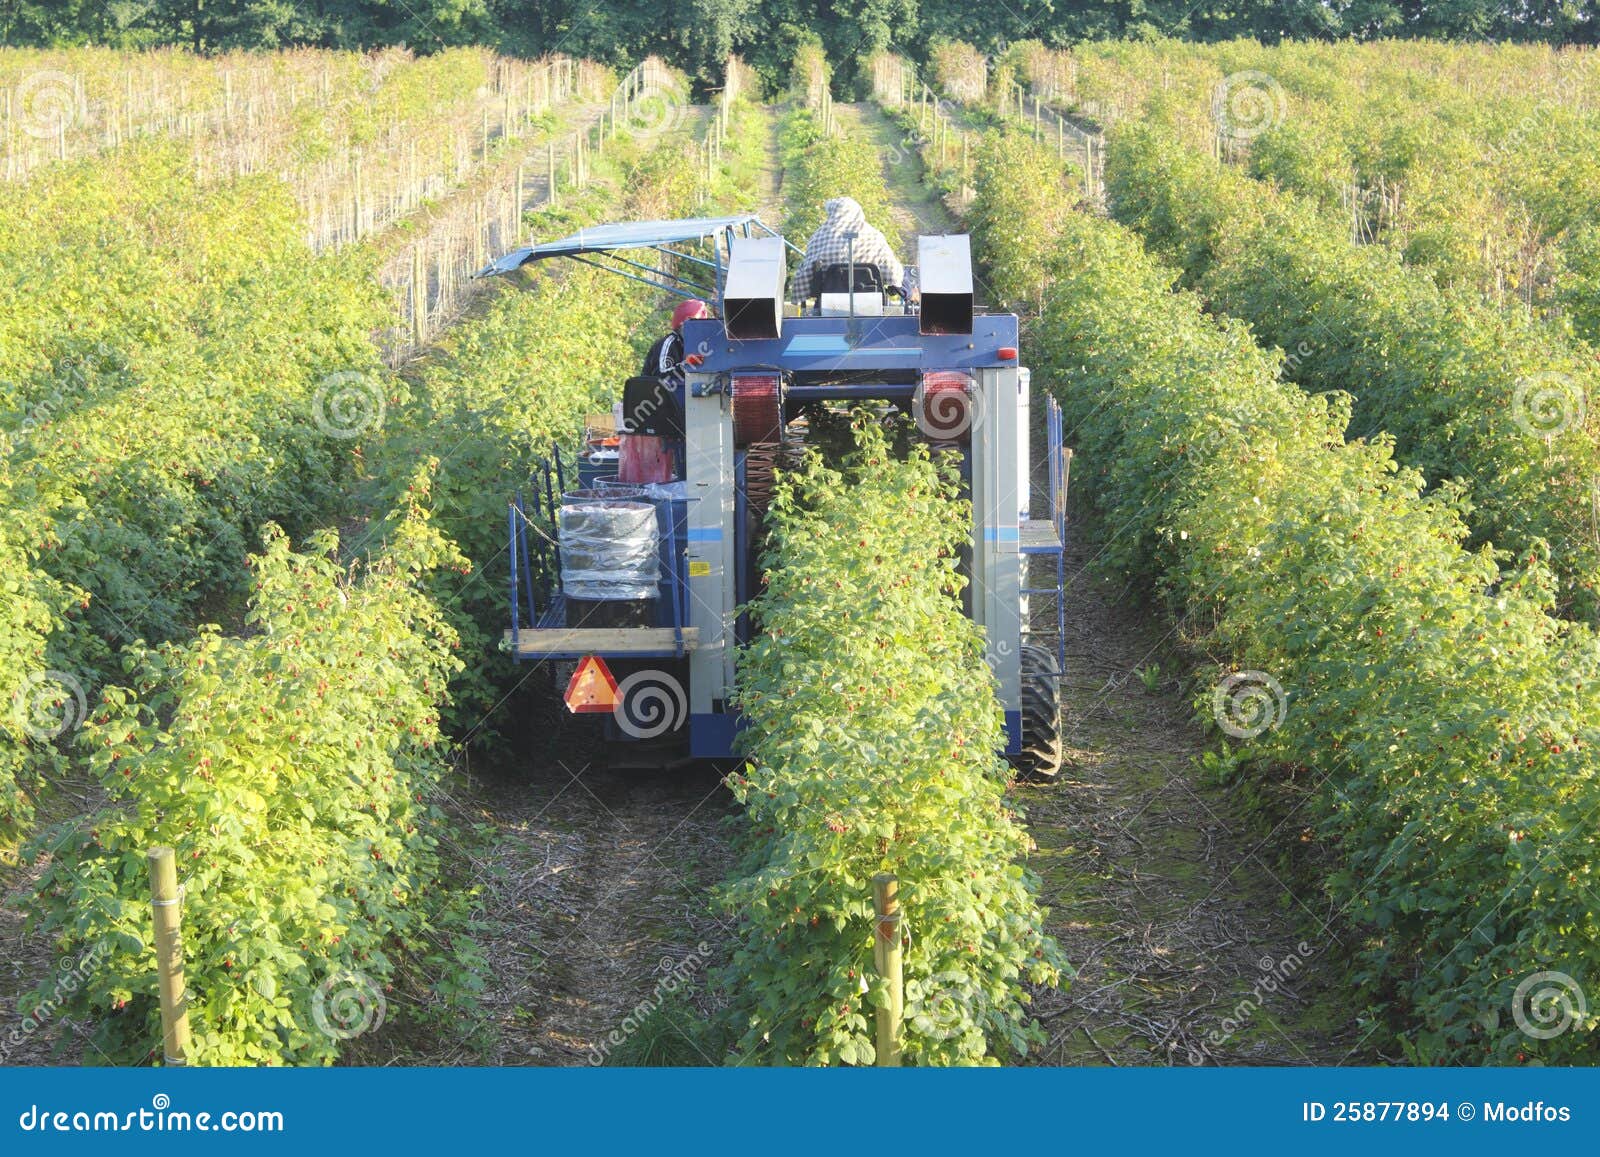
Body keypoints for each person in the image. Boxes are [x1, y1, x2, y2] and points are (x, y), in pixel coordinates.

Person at [790, 196, 912, 302]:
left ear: (832, 213)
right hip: (872, 302)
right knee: (902, 271)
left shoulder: (818, 237)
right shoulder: (874, 236)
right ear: (858, 213)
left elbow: (806, 272)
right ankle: (912, 298)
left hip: (828, 303)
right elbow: (892, 273)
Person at [641, 298, 713, 387]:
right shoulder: (668, 342)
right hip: (657, 394)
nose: (694, 330)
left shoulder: (696, 345)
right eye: (690, 324)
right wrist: (686, 365)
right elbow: (660, 373)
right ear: (681, 325)